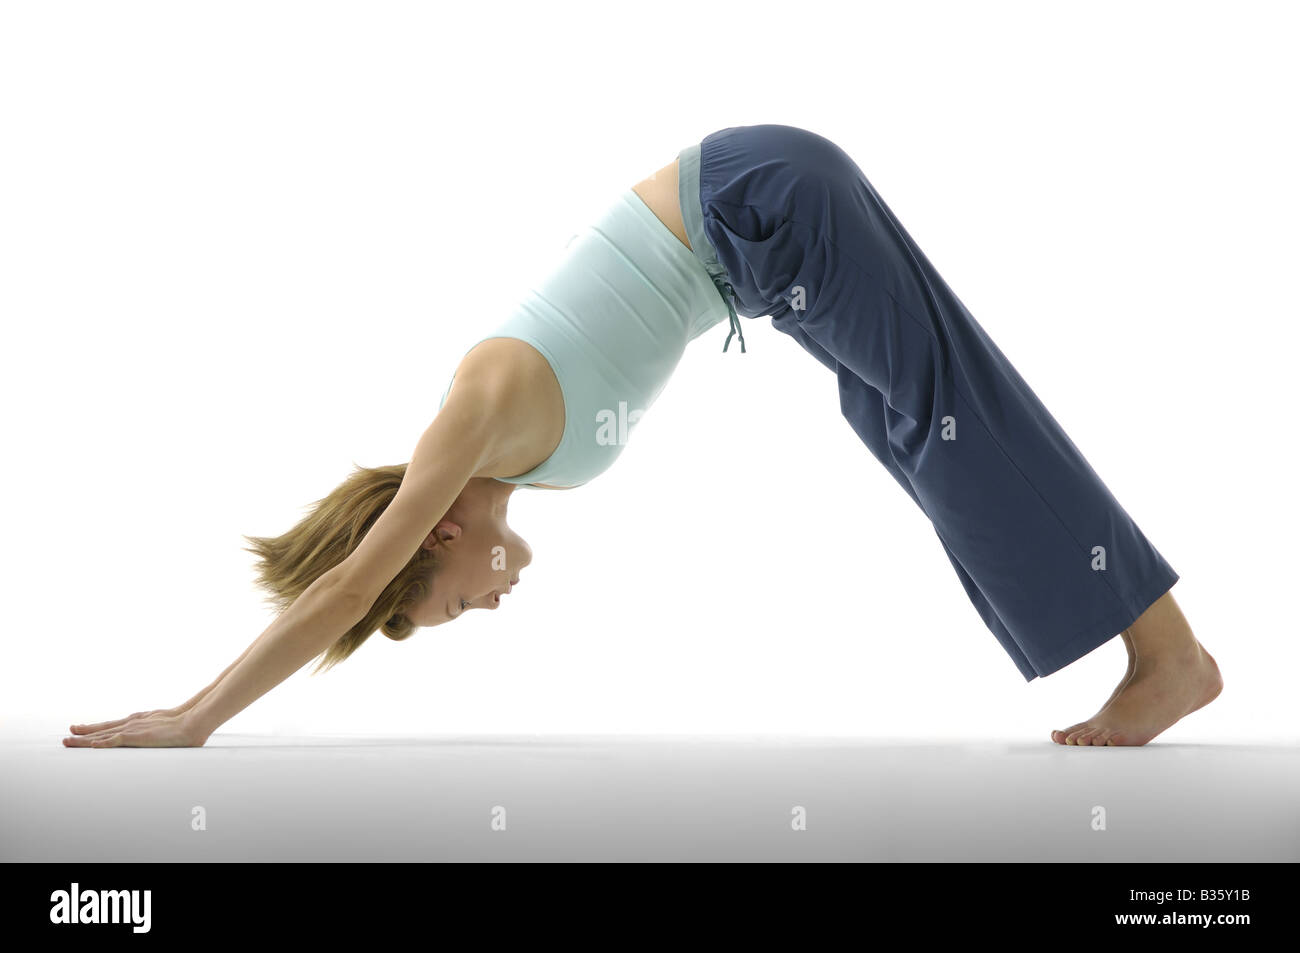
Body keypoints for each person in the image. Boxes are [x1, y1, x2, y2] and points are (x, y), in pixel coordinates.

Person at [64, 124, 1220, 750]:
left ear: (440, 528)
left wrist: (195, 716)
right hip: (762, 234)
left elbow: (351, 580)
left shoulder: (469, 418)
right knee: (907, 418)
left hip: (760, 206)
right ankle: (1154, 647)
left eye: (455, 599)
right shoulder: (518, 466)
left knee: (952, 414)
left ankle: (1167, 656)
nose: (487, 606)